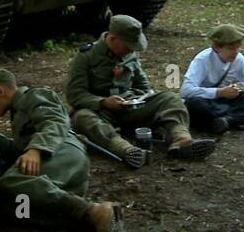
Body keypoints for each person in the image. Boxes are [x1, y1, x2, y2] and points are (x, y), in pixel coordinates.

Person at [0, 69, 123, 232]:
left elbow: (56, 121)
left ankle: (90, 209)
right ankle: (93, 220)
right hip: (55, 168)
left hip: (64, 153)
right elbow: (20, 151)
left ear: (1, 90)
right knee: (16, 209)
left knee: (9, 182)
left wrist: (36, 149)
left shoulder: (34, 96)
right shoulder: (18, 111)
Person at [66, 14, 216, 168]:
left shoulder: (130, 53)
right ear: (112, 39)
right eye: (128, 46)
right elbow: (75, 94)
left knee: (170, 98)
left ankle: (181, 140)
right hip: (101, 112)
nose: (131, 50)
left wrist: (137, 100)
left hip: (129, 107)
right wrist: (103, 102)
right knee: (82, 117)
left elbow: (143, 84)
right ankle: (126, 149)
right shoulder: (86, 57)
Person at [181, 24, 244, 133]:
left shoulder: (238, 58)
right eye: (230, 49)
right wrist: (219, 92)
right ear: (217, 47)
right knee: (196, 104)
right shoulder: (202, 60)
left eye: (237, 48)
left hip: (227, 102)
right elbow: (186, 91)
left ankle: (228, 120)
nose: (235, 52)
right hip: (209, 102)